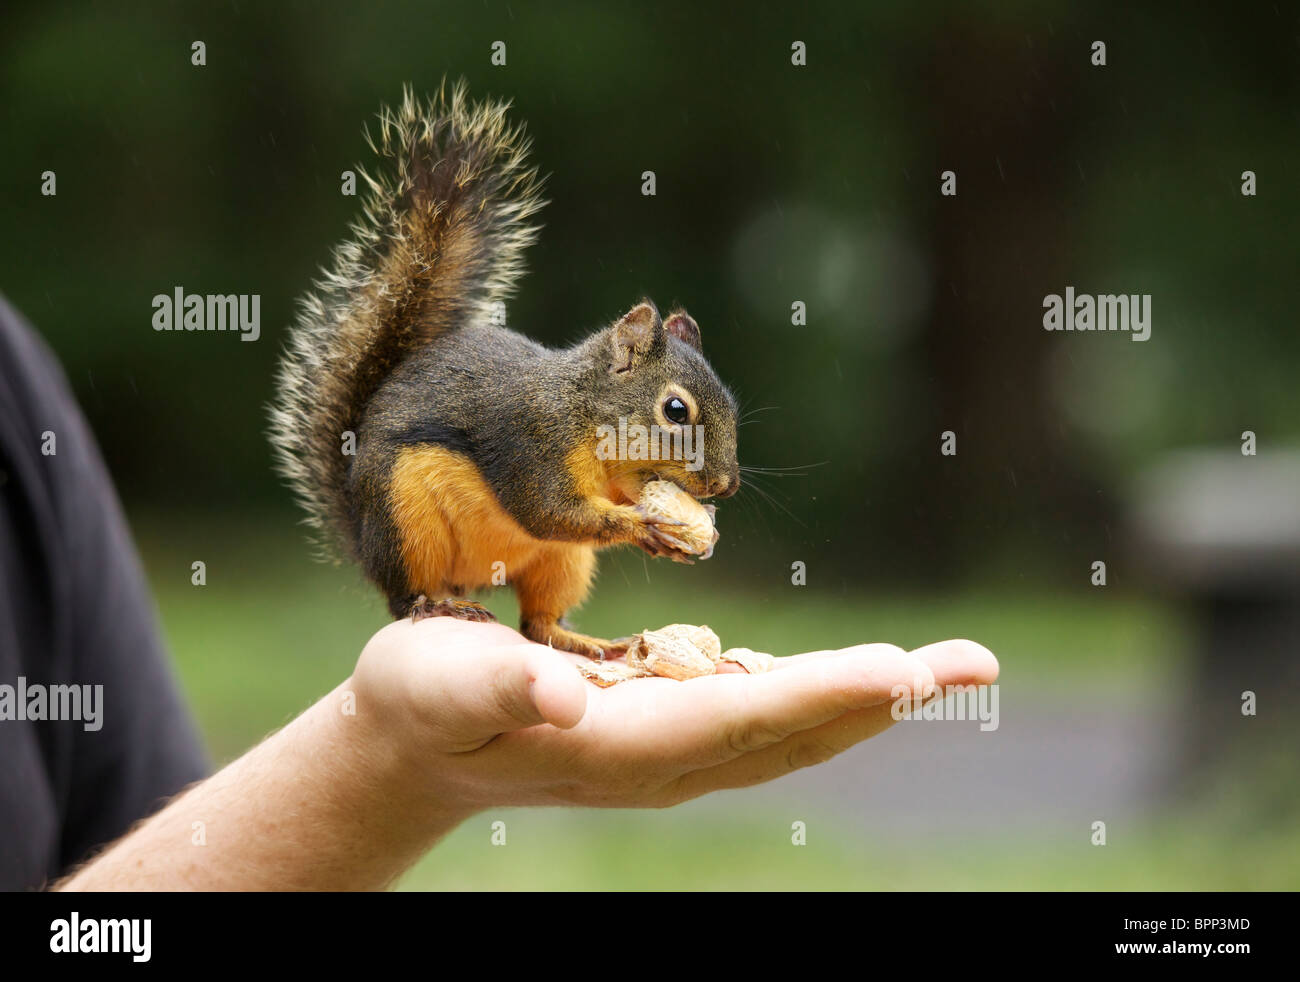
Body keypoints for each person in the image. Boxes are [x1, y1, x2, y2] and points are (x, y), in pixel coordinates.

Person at [0, 296, 998, 891]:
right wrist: (388, 761)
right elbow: (545, 502)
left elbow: (112, 923)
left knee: (566, 558)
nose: (708, 471)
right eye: (681, 424)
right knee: (480, 499)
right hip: (435, 491)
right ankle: (434, 593)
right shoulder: (552, 420)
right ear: (625, 354)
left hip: (523, 535)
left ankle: (552, 627)